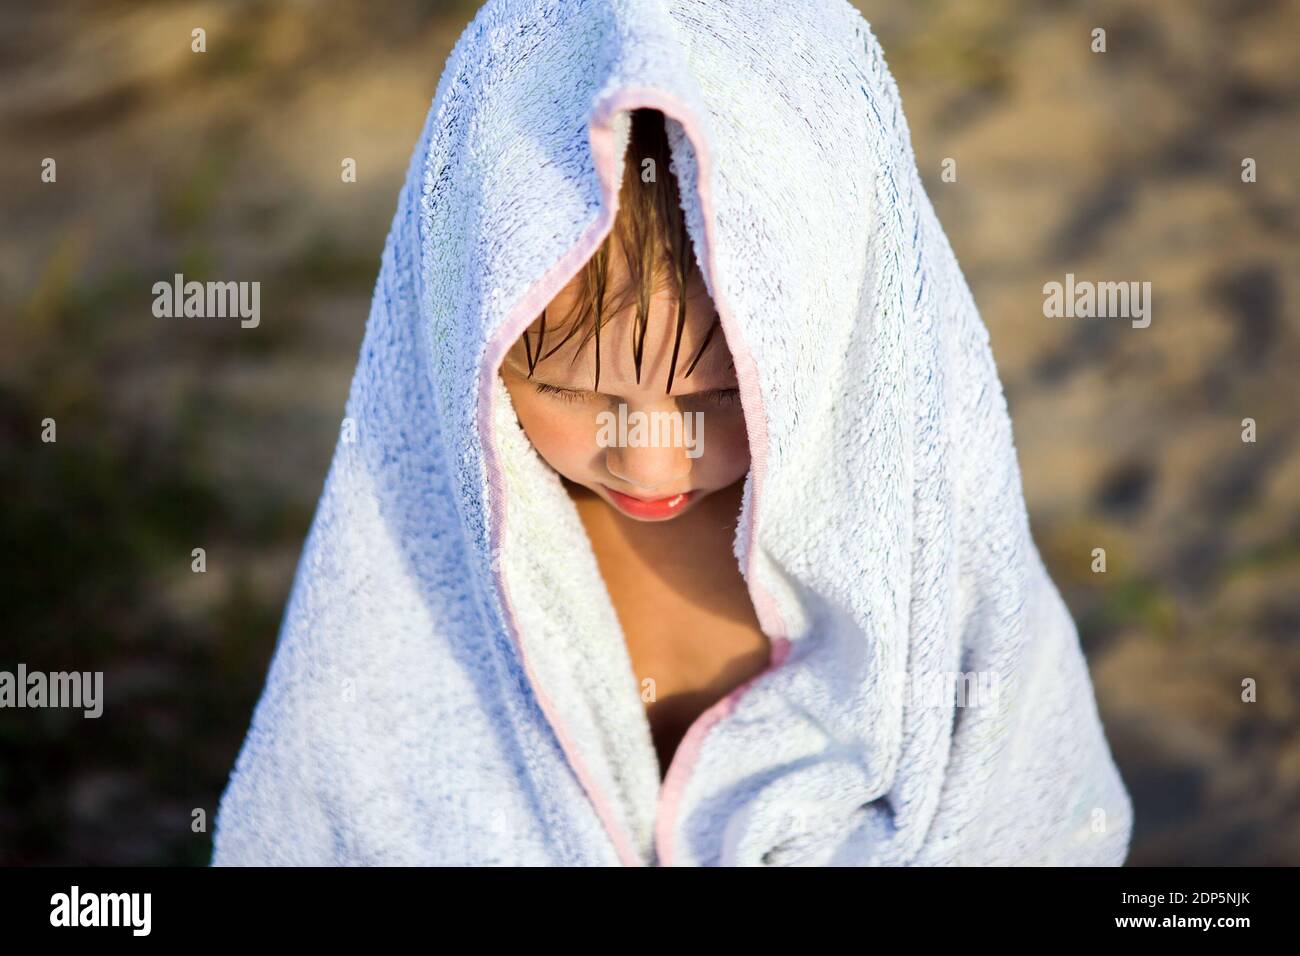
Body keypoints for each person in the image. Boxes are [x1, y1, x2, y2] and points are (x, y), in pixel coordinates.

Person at [498, 109, 770, 779]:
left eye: (718, 396)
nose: (650, 466)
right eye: (572, 391)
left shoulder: (871, 547)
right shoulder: (468, 552)